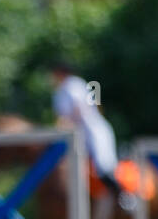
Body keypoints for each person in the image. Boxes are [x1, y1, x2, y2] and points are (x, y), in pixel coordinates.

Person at [48, 60, 129, 208]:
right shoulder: (61, 91)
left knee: (102, 165)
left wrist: (61, 126)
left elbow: (77, 110)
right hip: (75, 133)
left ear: (61, 72)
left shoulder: (74, 84)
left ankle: (123, 196)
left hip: (92, 131)